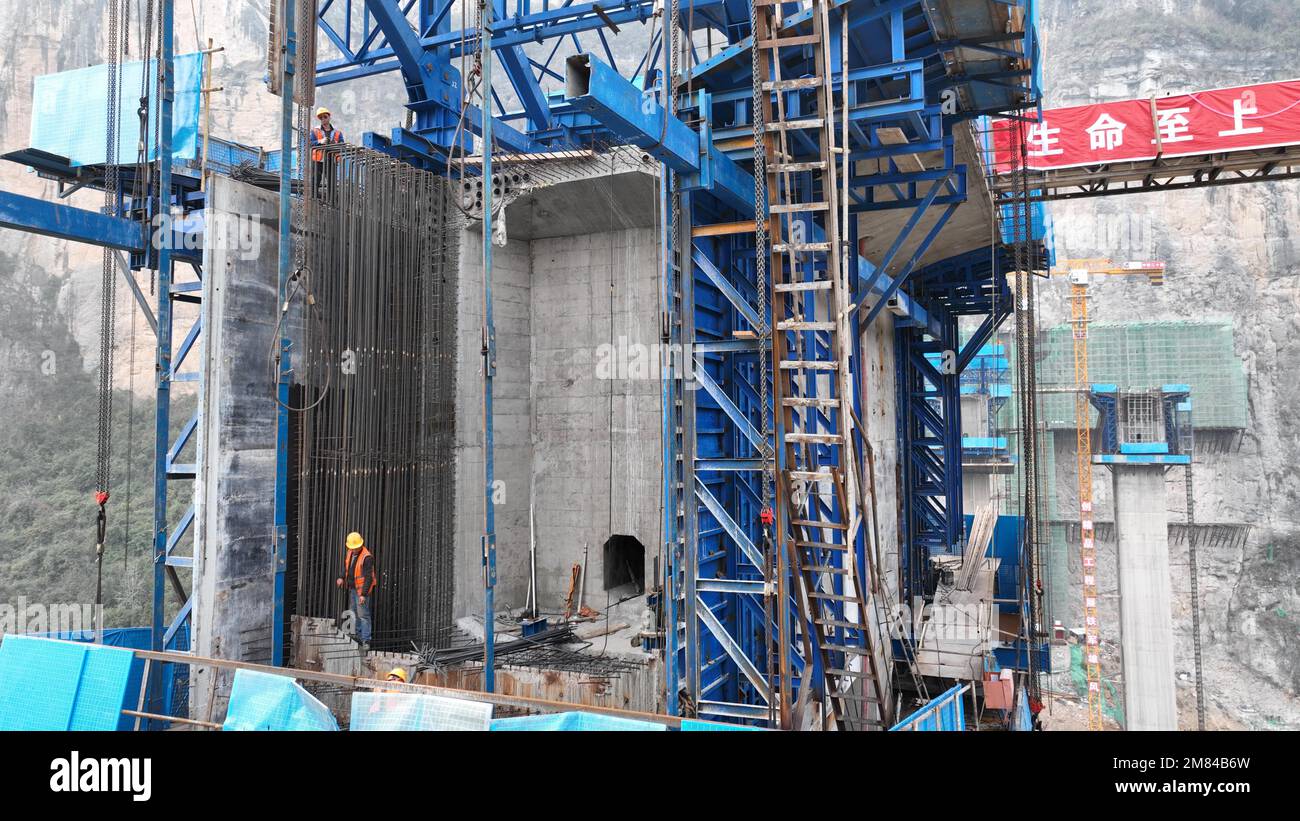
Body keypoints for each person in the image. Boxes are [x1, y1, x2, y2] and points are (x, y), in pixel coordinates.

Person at [336, 531, 376, 650]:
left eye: (356, 547)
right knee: (354, 613)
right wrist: (341, 577)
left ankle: (365, 640)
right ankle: (357, 638)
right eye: (352, 548)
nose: (354, 549)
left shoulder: (367, 557)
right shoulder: (350, 553)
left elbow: (369, 577)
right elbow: (347, 568)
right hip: (353, 589)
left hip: (361, 592)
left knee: (363, 616)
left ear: (360, 545)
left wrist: (363, 594)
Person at [310, 106, 344, 196]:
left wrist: (335, 143)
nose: (323, 119)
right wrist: (320, 141)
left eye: (325, 117)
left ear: (329, 117)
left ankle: (332, 202)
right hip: (318, 160)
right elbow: (310, 143)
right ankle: (313, 198)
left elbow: (342, 145)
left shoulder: (337, 132)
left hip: (331, 160)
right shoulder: (315, 130)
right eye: (321, 118)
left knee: (331, 182)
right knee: (316, 179)